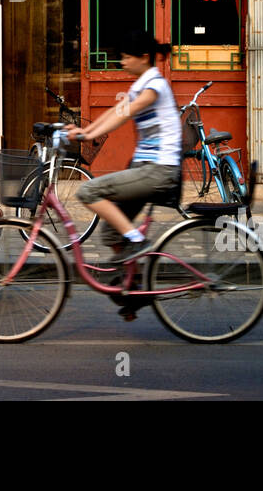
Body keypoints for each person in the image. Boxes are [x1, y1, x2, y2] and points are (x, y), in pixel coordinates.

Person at [68, 29, 182, 315]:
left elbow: (124, 114)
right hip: (144, 167)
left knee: (89, 191)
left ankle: (138, 241)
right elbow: (115, 110)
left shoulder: (156, 85)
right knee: (110, 234)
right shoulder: (141, 84)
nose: (121, 62)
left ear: (143, 57)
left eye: (125, 57)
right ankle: (137, 287)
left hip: (159, 170)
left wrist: (86, 136)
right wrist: (86, 132)